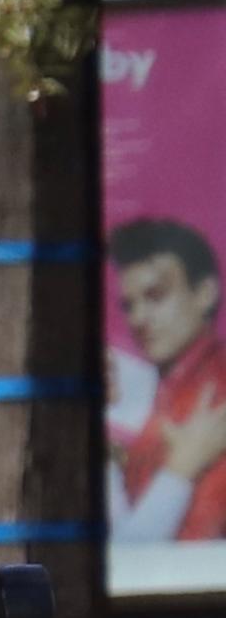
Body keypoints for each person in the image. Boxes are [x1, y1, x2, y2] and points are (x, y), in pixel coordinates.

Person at [104, 217, 226, 543]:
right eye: (129, 305)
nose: (139, 318)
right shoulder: (163, 392)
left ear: (205, 293)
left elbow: (194, 545)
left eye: (156, 296)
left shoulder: (211, 401)